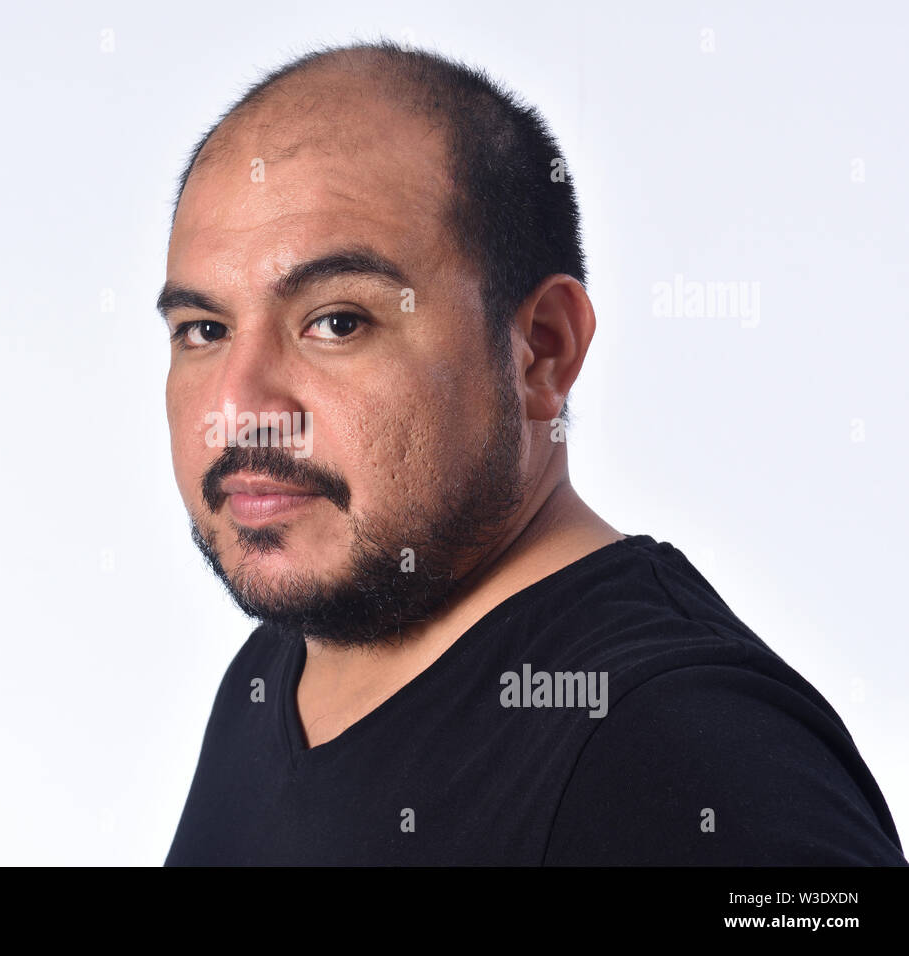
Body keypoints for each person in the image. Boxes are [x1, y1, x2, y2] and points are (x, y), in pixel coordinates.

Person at [157, 39, 905, 865]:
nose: (237, 411)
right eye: (204, 329)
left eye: (338, 322)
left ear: (542, 350)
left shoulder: (676, 748)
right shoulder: (293, 653)